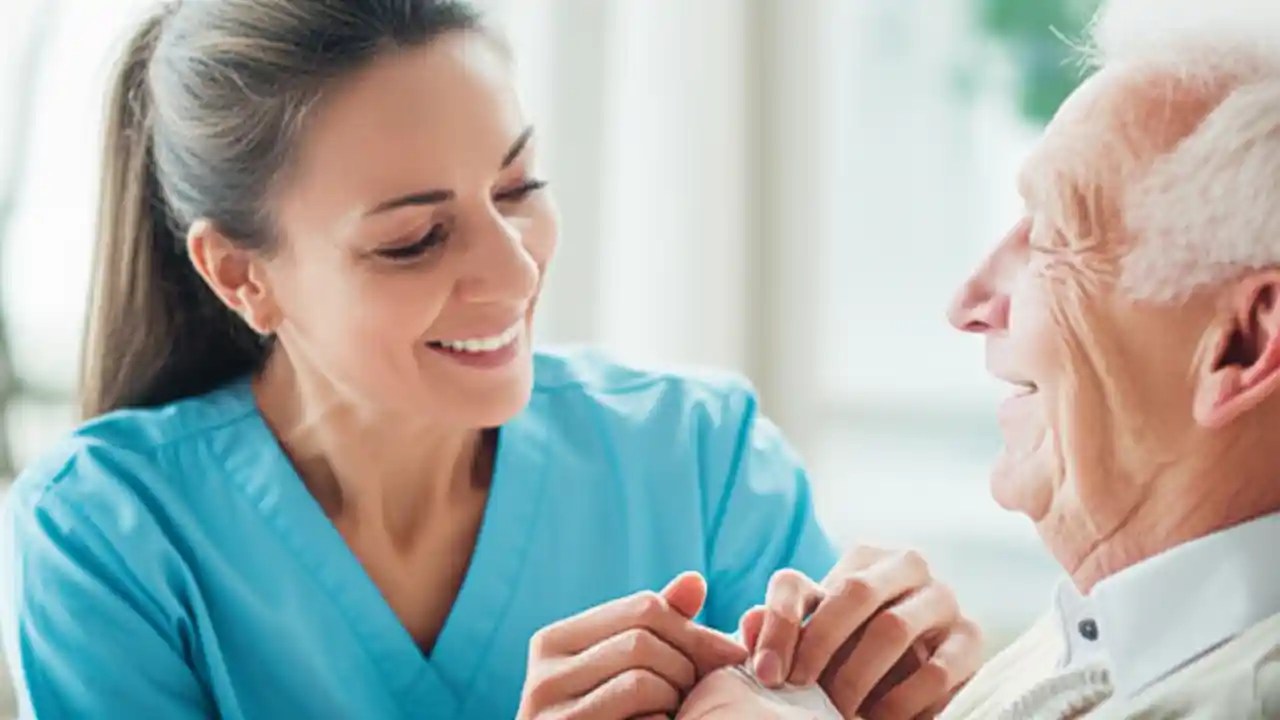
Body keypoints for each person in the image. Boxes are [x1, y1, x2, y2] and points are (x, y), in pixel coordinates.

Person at [0, 2, 982, 718]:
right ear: (239, 274)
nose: (511, 271)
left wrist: (922, 691)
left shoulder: (696, 455)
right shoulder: (110, 535)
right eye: (414, 239)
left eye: (518, 184)